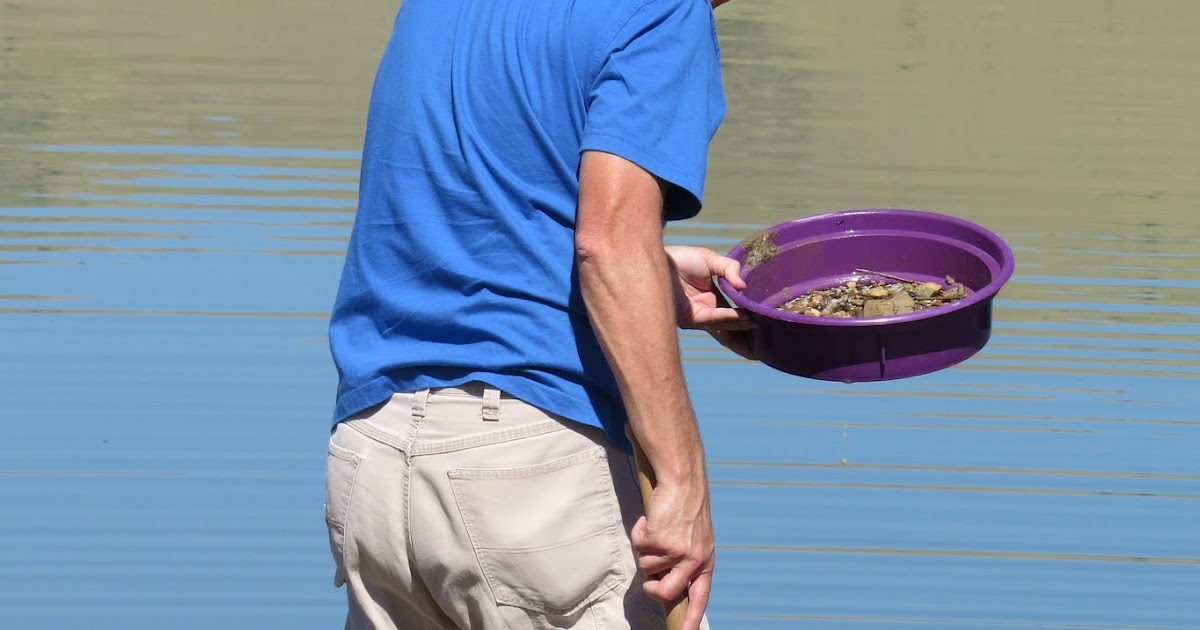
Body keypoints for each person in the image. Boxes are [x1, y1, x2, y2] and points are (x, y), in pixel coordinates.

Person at [324, 0, 750, 628]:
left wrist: (649, 275)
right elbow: (607, 244)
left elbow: (467, 202)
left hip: (370, 461)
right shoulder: (662, 11)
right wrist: (682, 481)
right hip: (528, 475)